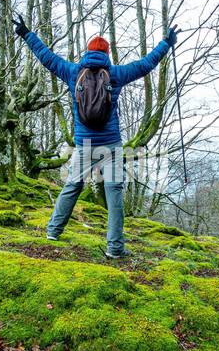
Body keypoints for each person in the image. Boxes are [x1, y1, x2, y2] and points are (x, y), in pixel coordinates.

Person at [15, 16, 178, 259]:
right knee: (114, 193)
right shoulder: (116, 74)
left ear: (88, 51)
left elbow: (47, 58)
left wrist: (27, 34)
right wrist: (166, 42)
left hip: (84, 144)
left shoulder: (73, 72)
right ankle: (115, 248)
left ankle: (53, 231)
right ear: (107, 54)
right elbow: (147, 64)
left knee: (72, 185)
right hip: (111, 145)